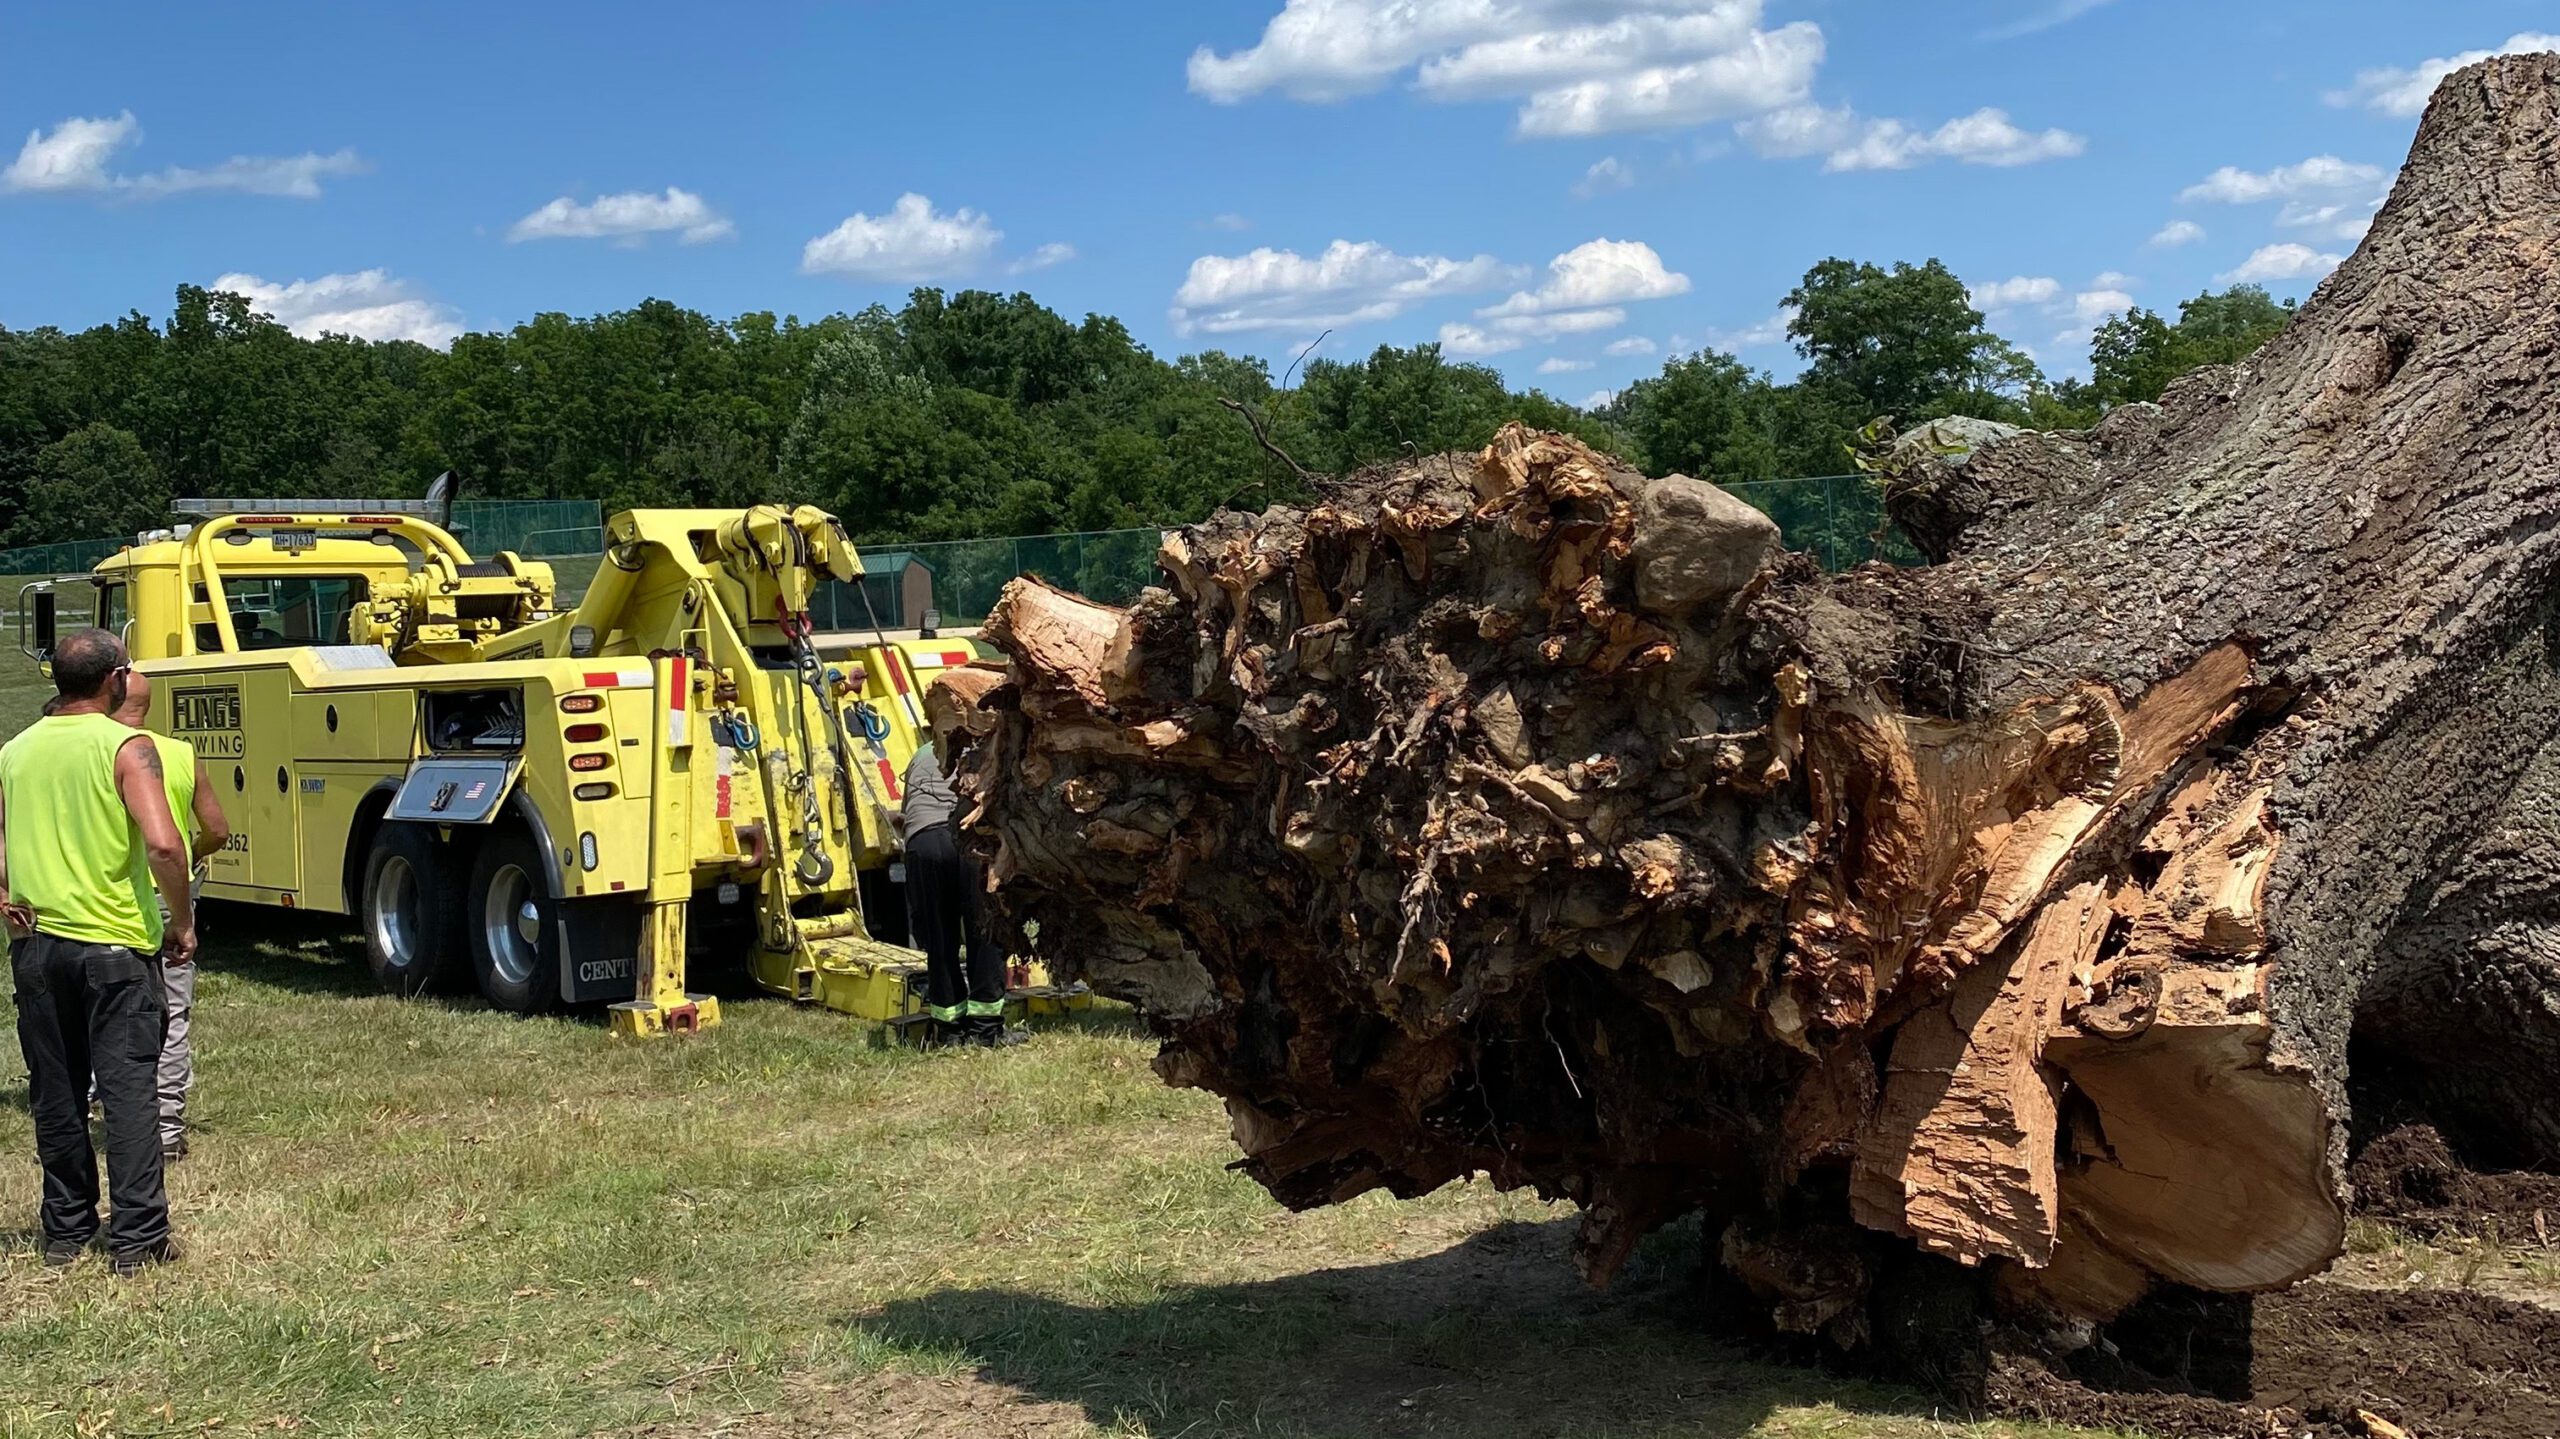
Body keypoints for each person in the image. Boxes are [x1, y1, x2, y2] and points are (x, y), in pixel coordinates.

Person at [1, 629, 199, 1275]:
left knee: (55, 1092)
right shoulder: (127, 746)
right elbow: (166, 845)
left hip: (37, 947)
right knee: (128, 1091)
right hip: (114, 945)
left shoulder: (15, 751)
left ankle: (64, 1230)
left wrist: (9, 899)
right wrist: (183, 920)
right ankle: (138, 1237)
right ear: (116, 679)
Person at [109, 669, 229, 1163]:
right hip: (171, 894)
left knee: (111, 1012)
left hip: (116, 898)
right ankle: (167, 1126)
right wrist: (193, 857)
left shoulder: (102, 750)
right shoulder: (180, 753)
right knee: (173, 1012)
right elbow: (218, 829)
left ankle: (110, 1105)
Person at [899, 736, 1020, 1049]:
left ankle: (950, 1031)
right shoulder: (986, 750)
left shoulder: (920, 755)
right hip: (969, 839)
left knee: (940, 940)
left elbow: (908, 809)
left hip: (923, 844)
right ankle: (985, 1030)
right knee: (986, 933)